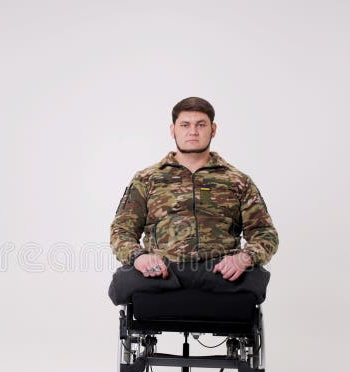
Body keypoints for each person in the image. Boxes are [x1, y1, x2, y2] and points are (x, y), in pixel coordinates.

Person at [108, 97, 278, 305]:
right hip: (163, 269)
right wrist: (139, 257)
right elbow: (121, 230)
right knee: (123, 282)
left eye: (201, 125)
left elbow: (265, 233)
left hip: (218, 269)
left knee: (254, 279)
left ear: (213, 130)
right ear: (173, 130)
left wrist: (244, 258)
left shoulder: (237, 181)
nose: (193, 131)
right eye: (185, 125)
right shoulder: (147, 179)